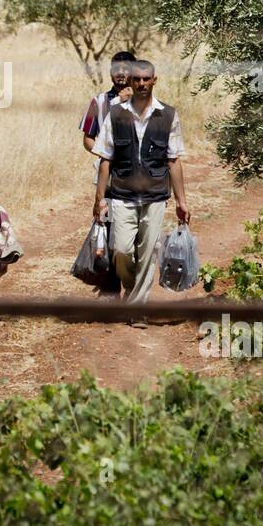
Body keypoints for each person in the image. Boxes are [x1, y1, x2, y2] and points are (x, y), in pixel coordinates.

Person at [91, 60, 191, 328]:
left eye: (147, 79)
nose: (142, 84)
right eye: (137, 80)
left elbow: (174, 161)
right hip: (122, 195)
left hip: (155, 197)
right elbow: (105, 159)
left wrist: (182, 201)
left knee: (147, 253)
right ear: (130, 82)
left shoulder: (168, 115)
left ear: (154, 80)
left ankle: (138, 310)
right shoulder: (115, 114)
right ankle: (134, 286)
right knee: (121, 249)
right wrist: (100, 199)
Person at [80, 51, 136, 180]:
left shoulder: (145, 101)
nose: (120, 73)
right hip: (108, 172)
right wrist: (105, 155)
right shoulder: (98, 101)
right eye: (116, 68)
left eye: (126, 69)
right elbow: (88, 139)